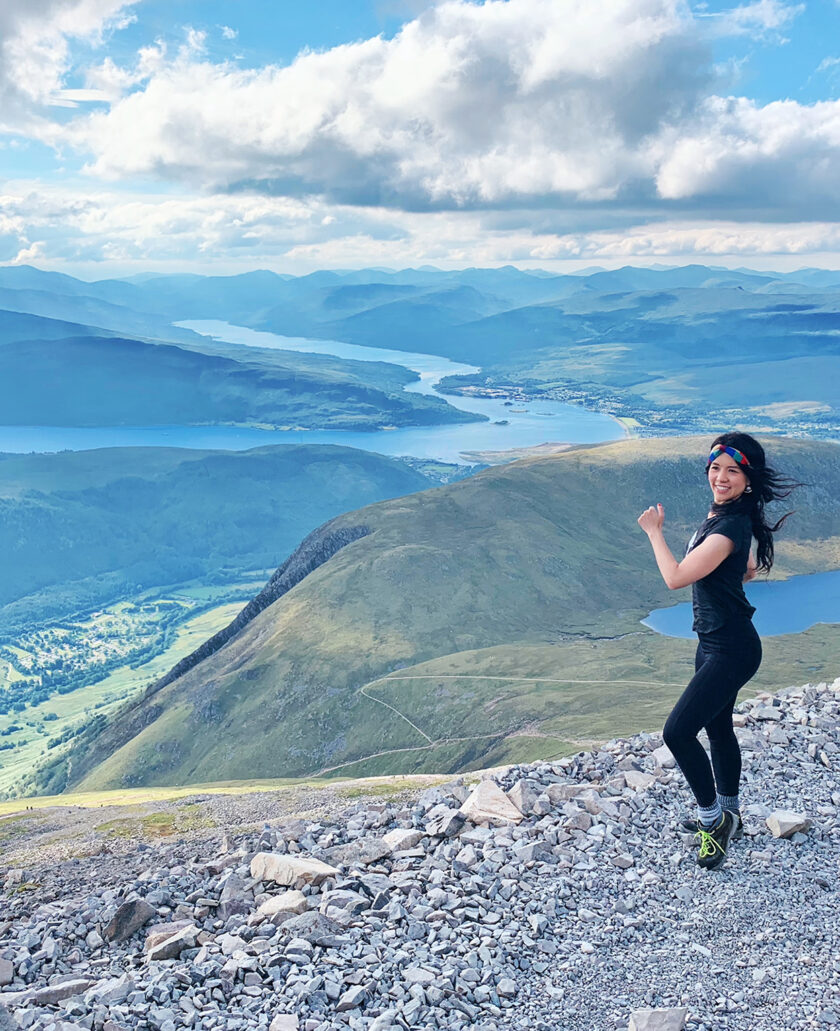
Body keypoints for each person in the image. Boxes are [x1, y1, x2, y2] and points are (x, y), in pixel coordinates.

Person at [637, 432, 797, 870]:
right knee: (717, 726)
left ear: (748, 478)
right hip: (716, 641)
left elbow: (675, 578)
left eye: (732, 470)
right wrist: (724, 579)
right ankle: (731, 814)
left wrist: (654, 532)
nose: (721, 477)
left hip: (731, 647)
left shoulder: (727, 526)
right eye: (715, 468)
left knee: (677, 732)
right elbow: (744, 568)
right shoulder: (730, 514)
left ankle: (714, 821)